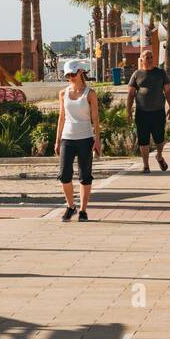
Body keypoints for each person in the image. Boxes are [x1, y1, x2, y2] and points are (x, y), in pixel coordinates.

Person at [56, 62, 101, 222]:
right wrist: (57, 140)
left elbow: (95, 118)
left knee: (85, 176)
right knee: (64, 175)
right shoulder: (63, 93)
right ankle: (70, 206)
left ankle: (82, 210)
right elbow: (61, 117)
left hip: (85, 138)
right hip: (67, 139)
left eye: (72, 74)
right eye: (67, 75)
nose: (70, 78)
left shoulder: (90, 93)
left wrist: (97, 140)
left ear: (80, 72)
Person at [126, 49, 170, 173]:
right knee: (143, 139)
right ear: (141, 59)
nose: (150, 59)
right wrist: (128, 110)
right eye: (147, 57)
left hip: (158, 112)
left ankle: (159, 155)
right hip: (142, 112)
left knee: (159, 139)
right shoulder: (136, 74)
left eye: (151, 56)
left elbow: (168, 91)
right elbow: (131, 94)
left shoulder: (160, 73)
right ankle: (146, 165)